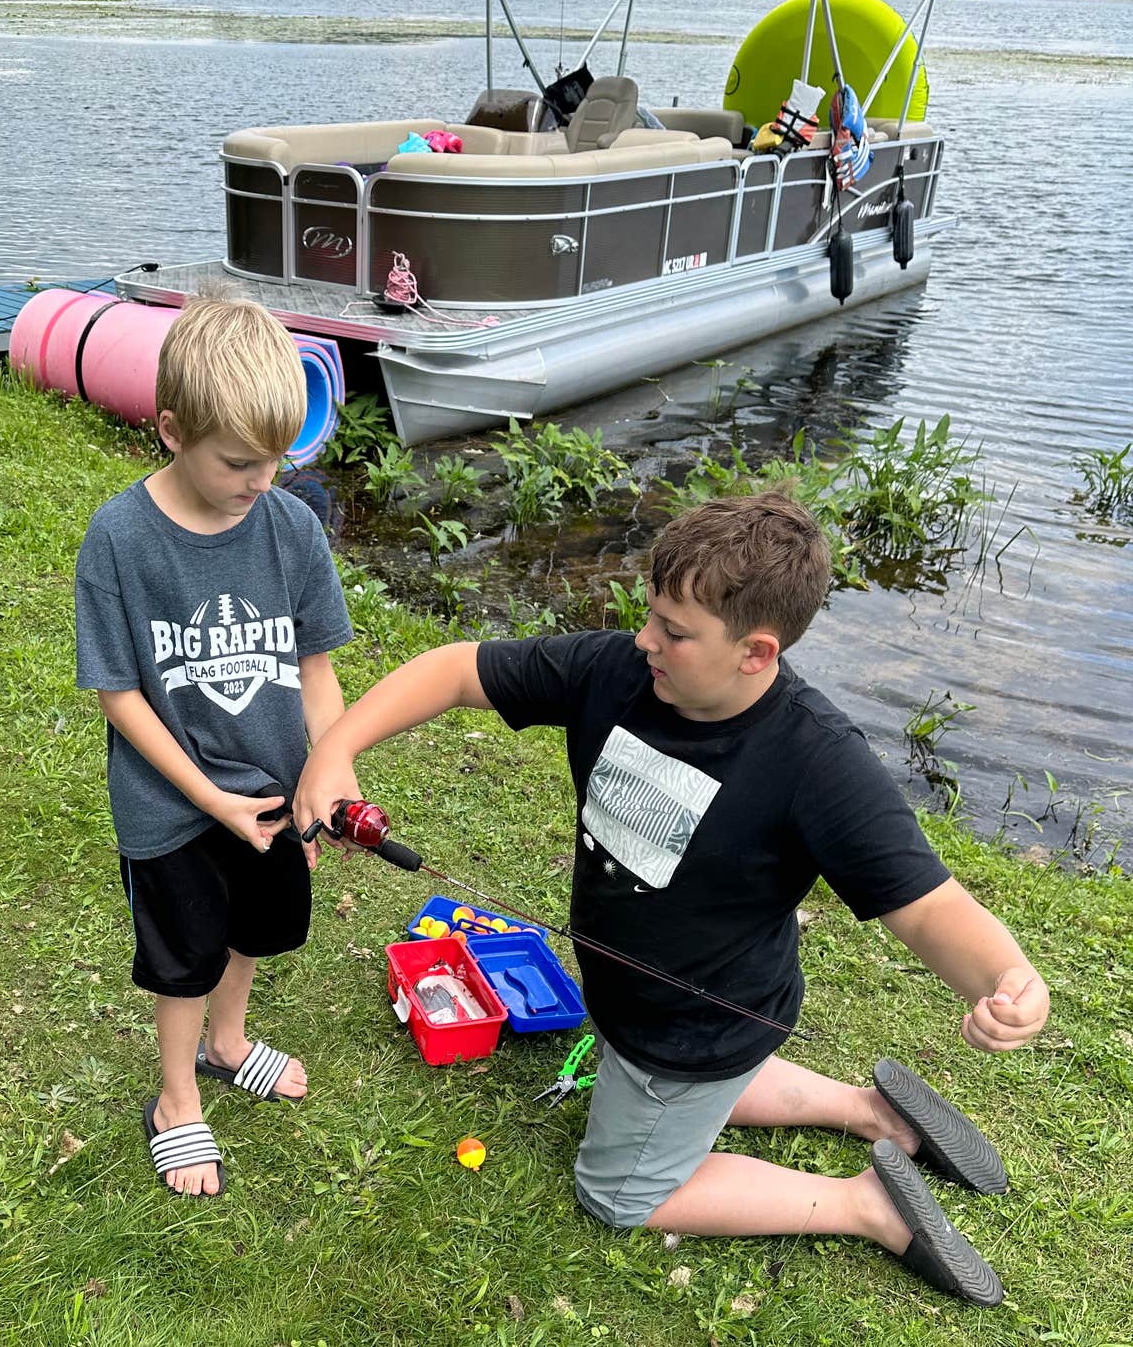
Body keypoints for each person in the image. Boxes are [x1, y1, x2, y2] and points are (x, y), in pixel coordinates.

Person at [297, 491, 1048, 1306]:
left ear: (756, 653)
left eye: (675, 632)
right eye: (650, 615)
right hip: (643, 1004)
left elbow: (929, 904)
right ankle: (868, 1111)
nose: (645, 639)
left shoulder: (819, 763)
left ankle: (863, 1205)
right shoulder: (615, 671)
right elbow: (454, 670)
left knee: (621, 1193)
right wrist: (335, 747)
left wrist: (1006, 980)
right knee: (663, 1084)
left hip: (699, 1026)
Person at [75, 294, 353, 1198]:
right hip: (174, 803)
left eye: (278, 457)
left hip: (270, 788)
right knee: (184, 954)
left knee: (254, 931)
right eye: (238, 461)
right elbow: (120, 695)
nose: (261, 480)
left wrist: (330, 765)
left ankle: (231, 1044)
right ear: (168, 430)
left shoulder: (291, 528)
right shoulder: (120, 540)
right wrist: (208, 797)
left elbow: (315, 670)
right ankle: (177, 1094)